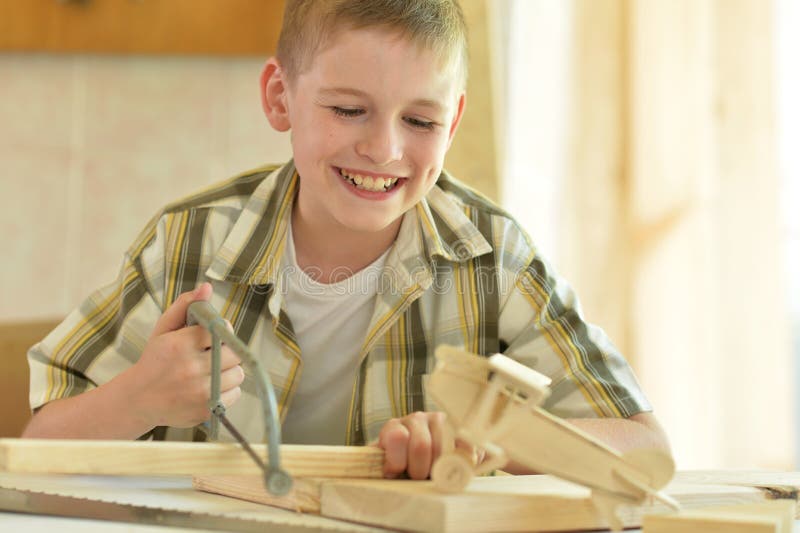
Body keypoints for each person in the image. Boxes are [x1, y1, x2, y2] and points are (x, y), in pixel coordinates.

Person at [23, 0, 671, 480]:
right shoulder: (189, 241)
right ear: (282, 98)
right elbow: (36, 447)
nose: (384, 148)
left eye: (420, 119)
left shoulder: (493, 258)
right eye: (348, 110)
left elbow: (645, 446)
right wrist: (136, 397)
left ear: (453, 124)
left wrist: (486, 440)